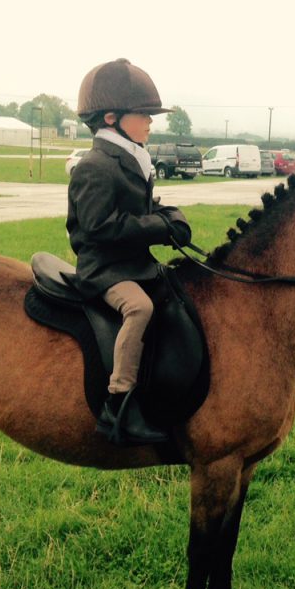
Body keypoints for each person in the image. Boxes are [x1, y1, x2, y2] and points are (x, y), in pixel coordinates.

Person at [67, 58, 192, 445]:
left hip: (133, 264)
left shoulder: (132, 157)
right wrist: (158, 227)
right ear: (111, 118)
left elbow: (145, 208)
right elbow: (99, 228)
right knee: (140, 308)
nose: (150, 122)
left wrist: (171, 217)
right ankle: (118, 402)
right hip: (104, 269)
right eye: (143, 115)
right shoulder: (95, 166)